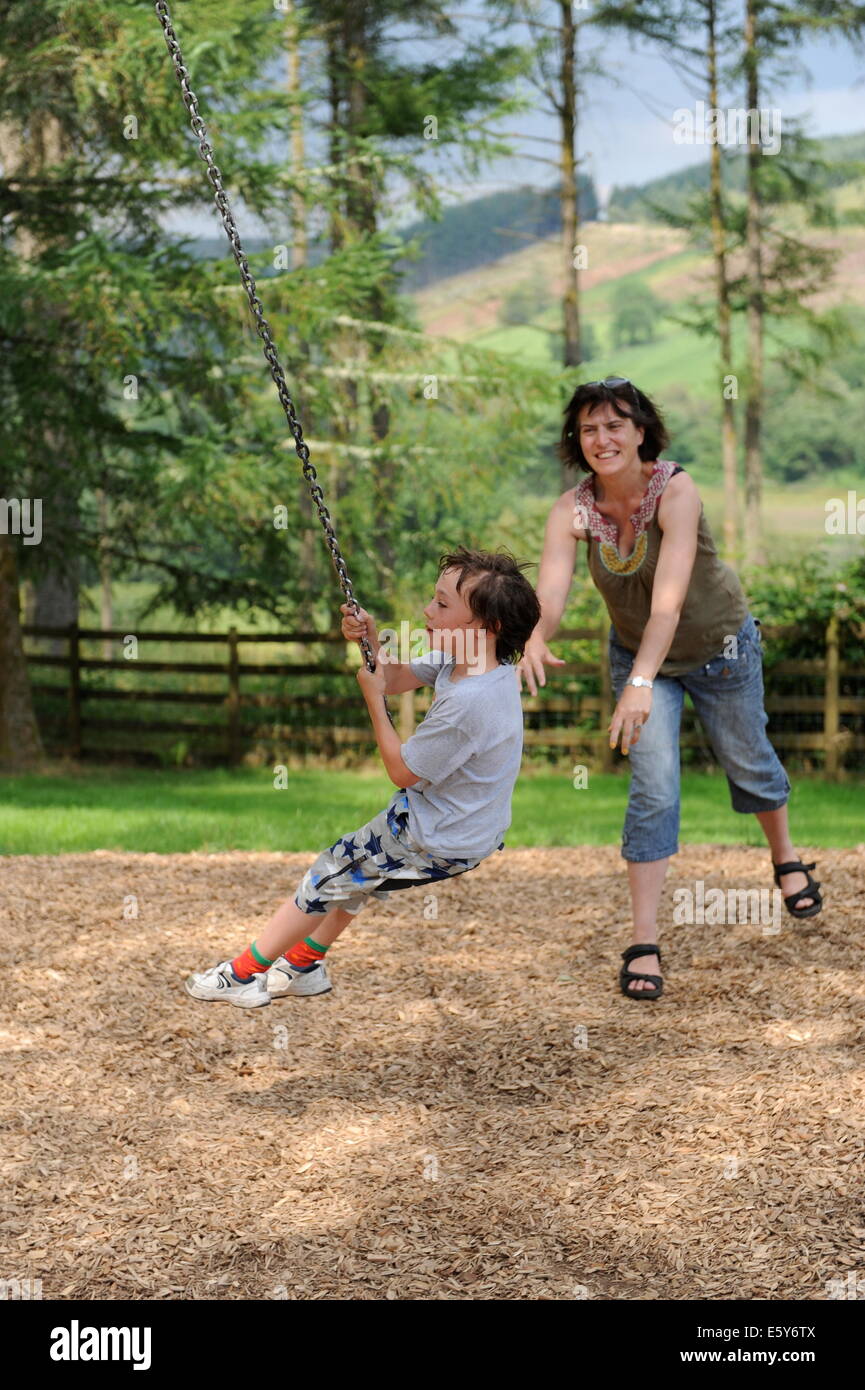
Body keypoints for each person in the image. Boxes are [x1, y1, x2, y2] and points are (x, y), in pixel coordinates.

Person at [518, 376, 822, 1002]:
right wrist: (534, 636)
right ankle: (644, 942)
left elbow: (668, 603)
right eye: (589, 429)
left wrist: (638, 685)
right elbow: (550, 593)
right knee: (653, 787)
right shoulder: (572, 509)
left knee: (750, 763)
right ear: (577, 440)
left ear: (640, 431)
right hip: (638, 655)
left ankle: (786, 859)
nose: (602, 439)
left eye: (614, 425)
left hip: (720, 650)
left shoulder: (675, 491)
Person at [186, 546, 541, 1007]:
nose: (426, 612)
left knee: (328, 873)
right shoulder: (474, 662)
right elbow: (391, 676)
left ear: (486, 627)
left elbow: (401, 770)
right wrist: (371, 639)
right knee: (358, 876)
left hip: (435, 835)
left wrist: (373, 700)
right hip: (463, 830)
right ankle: (303, 965)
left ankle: (242, 975)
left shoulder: (471, 703)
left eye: (442, 604)